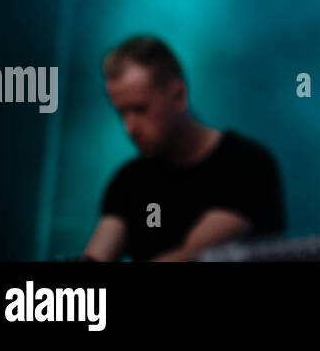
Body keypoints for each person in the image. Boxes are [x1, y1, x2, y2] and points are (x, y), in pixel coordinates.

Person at [81, 35, 285, 260]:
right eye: (121, 113)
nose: (129, 127)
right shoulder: (129, 180)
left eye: (140, 109)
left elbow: (191, 255)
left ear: (178, 95)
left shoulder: (246, 164)